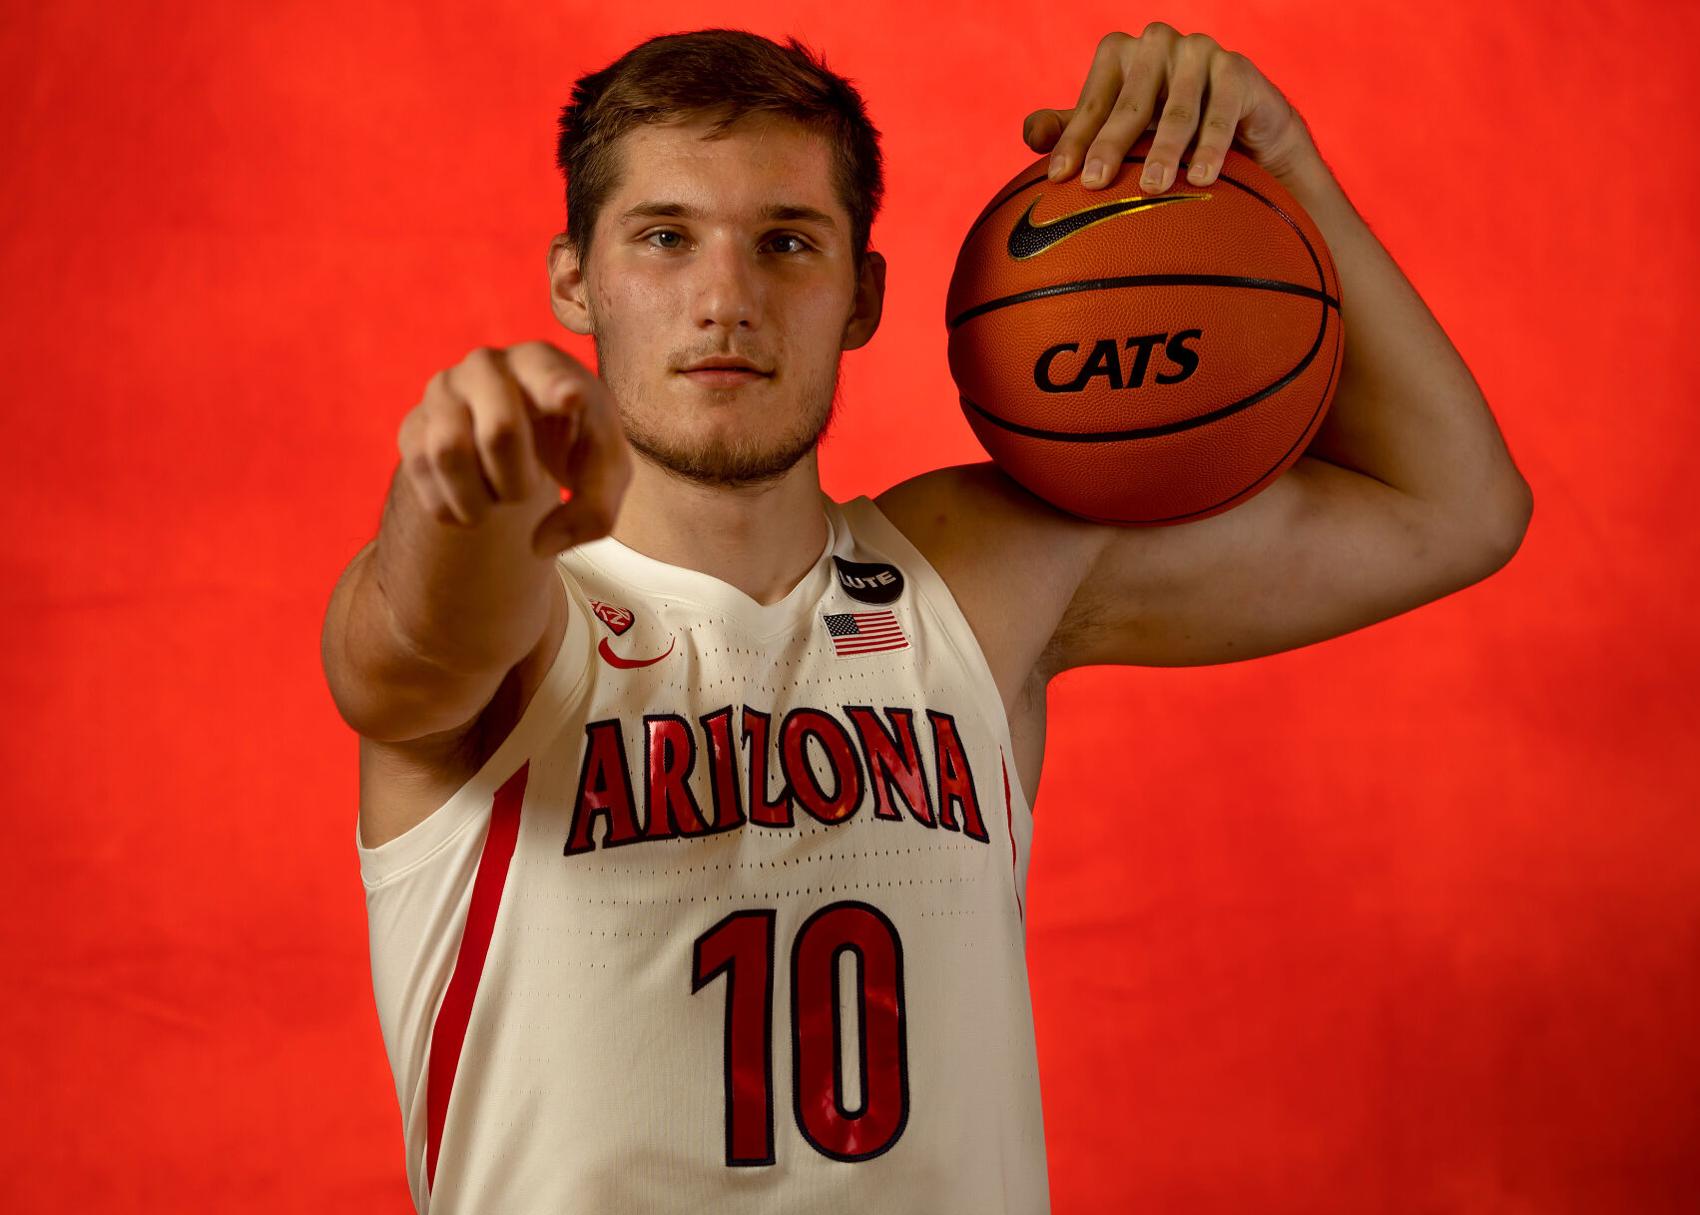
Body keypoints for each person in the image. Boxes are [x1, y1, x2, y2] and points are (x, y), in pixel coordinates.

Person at [319, 24, 1531, 1214]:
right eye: (664, 237)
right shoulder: (520, 617)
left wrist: (1284, 165)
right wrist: (463, 486)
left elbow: (1454, 510)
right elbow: (420, 645)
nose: (725, 299)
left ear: (864, 294)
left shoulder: (973, 576)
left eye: (787, 240)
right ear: (573, 279)